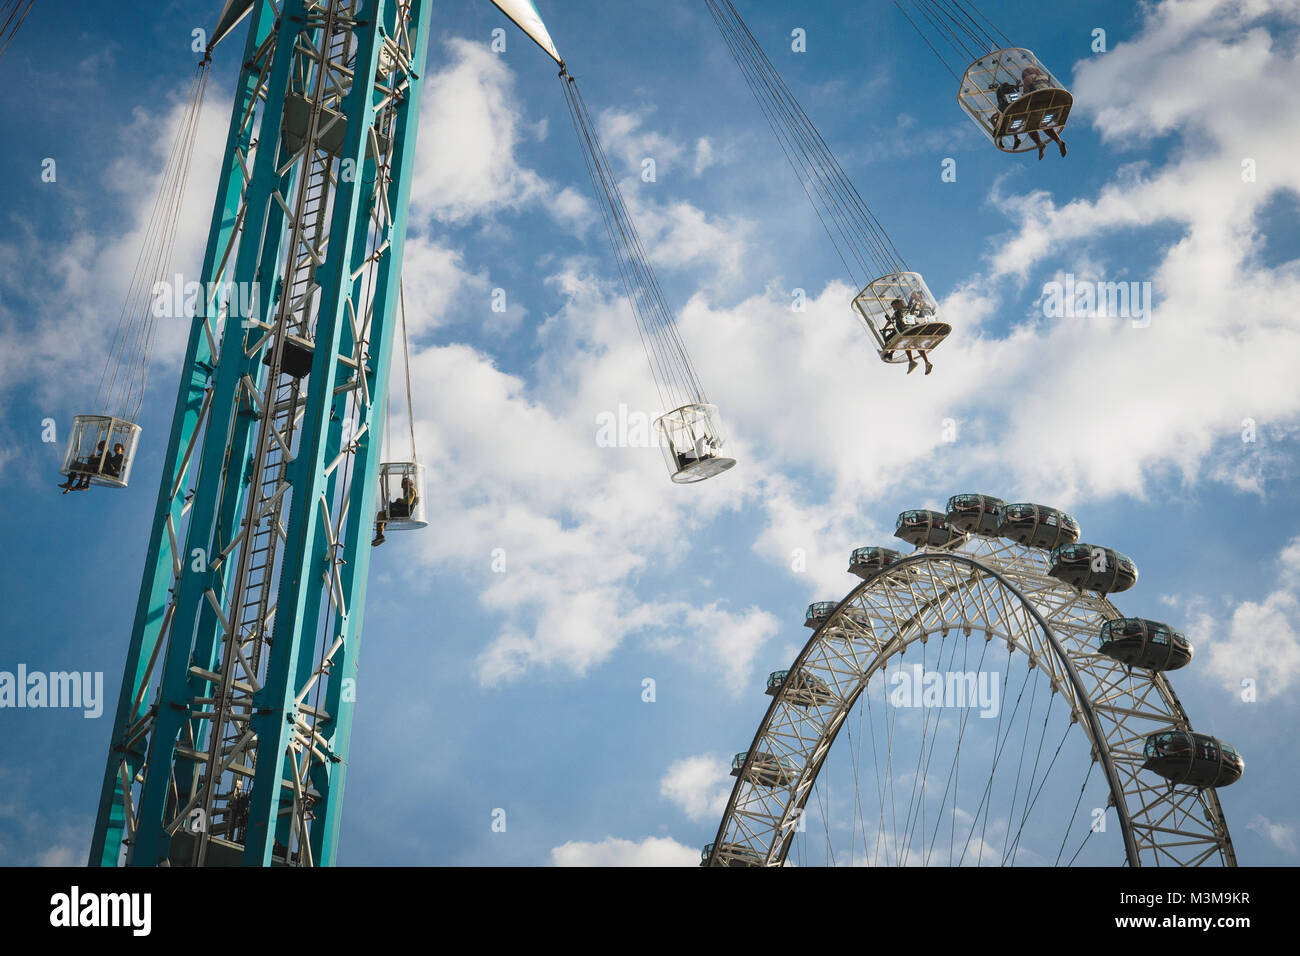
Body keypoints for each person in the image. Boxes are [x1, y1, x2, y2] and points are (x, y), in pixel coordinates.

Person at [1020, 66, 1067, 160]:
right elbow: (1054, 88)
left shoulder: (1028, 78)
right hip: (1052, 104)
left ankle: (1040, 144)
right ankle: (1059, 141)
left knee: (1029, 126)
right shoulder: (1046, 78)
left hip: (1039, 103)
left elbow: (1025, 94)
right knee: (1043, 124)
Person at [882, 298, 932, 375]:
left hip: (905, 330)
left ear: (898, 304)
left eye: (894, 306)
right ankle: (926, 362)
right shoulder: (908, 309)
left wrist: (885, 328)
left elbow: (890, 320)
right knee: (915, 345)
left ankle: (911, 361)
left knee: (904, 343)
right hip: (911, 329)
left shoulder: (898, 312)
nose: (893, 308)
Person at [372, 474, 419, 547]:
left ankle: (380, 535)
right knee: (385, 515)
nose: (403, 488)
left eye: (404, 485)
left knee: (381, 514)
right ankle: (380, 535)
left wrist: (399, 500)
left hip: (404, 512)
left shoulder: (411, 490)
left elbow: (408, 502)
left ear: (408, 483)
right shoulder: (409, 491)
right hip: (403, 511)